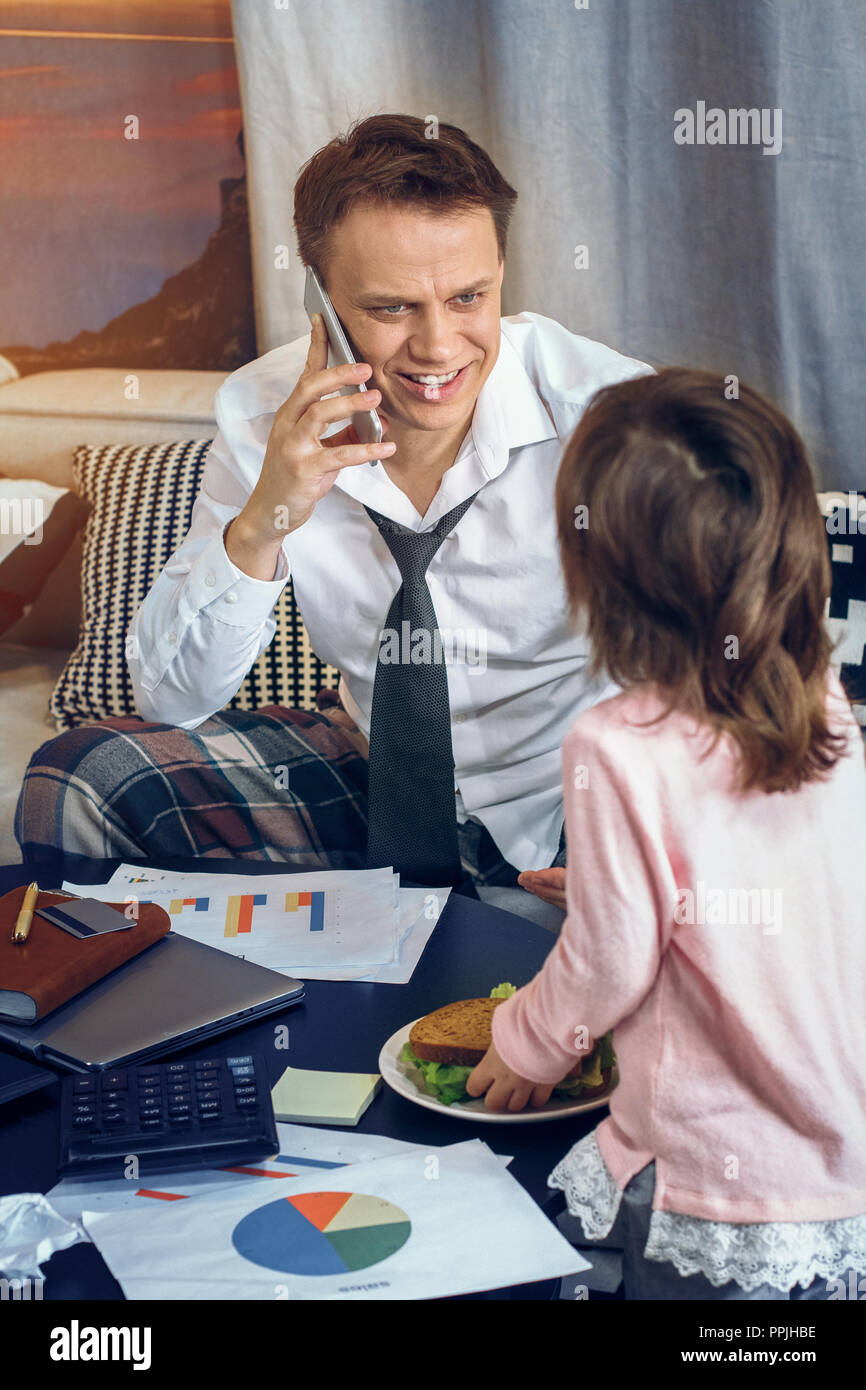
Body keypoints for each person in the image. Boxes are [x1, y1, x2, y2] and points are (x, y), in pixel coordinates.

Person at [15, 114, 650, 922]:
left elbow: (724, 674)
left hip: (569, 795)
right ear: (320, 299)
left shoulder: (612, 415)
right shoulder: (260, 413)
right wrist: (267, 513)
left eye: (468, 297)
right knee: (79, 781)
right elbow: (172, 699)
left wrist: (661, 842)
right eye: (391, 308)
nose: (439, 345)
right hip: (373, 770)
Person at [466, 368, 866, 1299]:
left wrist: (525, 1043)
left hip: (713, 1178)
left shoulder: (614, 746)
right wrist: (626, 890)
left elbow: (609, 966)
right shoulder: (827, 712)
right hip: (837, 1165)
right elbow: (809, 881)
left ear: (599, 579)